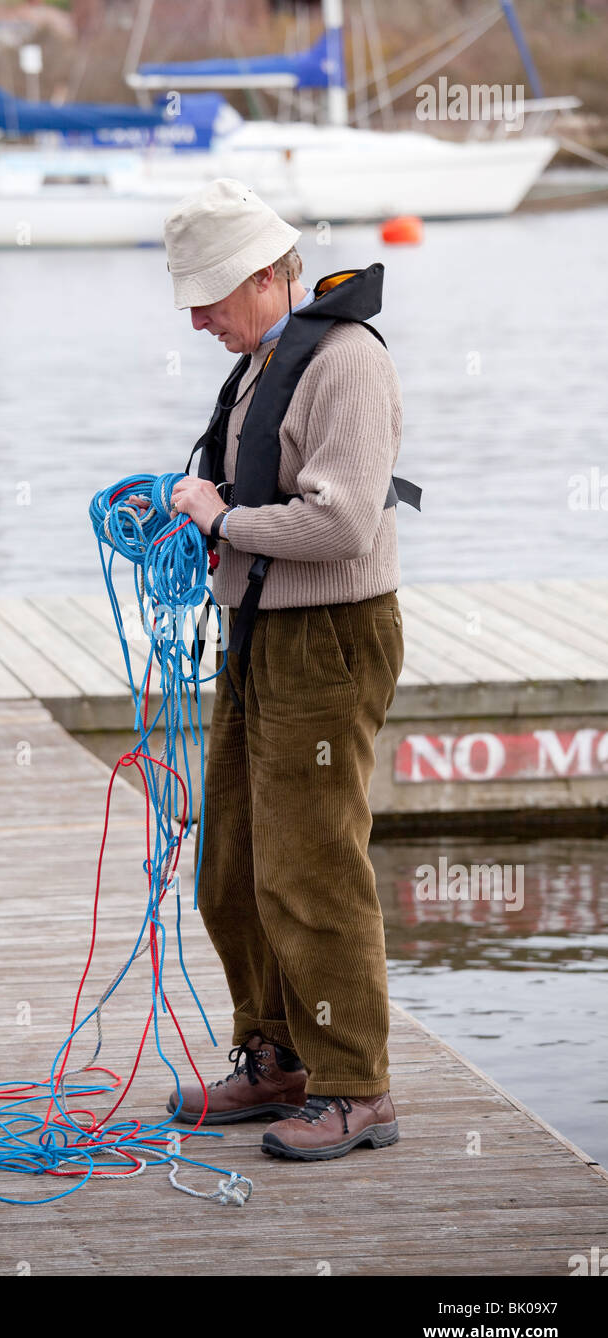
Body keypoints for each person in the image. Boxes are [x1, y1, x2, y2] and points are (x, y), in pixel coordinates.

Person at [161, 178, 409, 1162]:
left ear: (271, 275)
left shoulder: (342, 362)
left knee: (312, 866)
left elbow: (343, 521)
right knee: (231, 863)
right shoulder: (264, 358)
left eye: (212, 294)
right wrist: (189, 513)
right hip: (258, 633)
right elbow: (260, 494)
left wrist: (220, 520)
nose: (196, 316)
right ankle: (274, 1056)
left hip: (330, 635)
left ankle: (355, 1087)